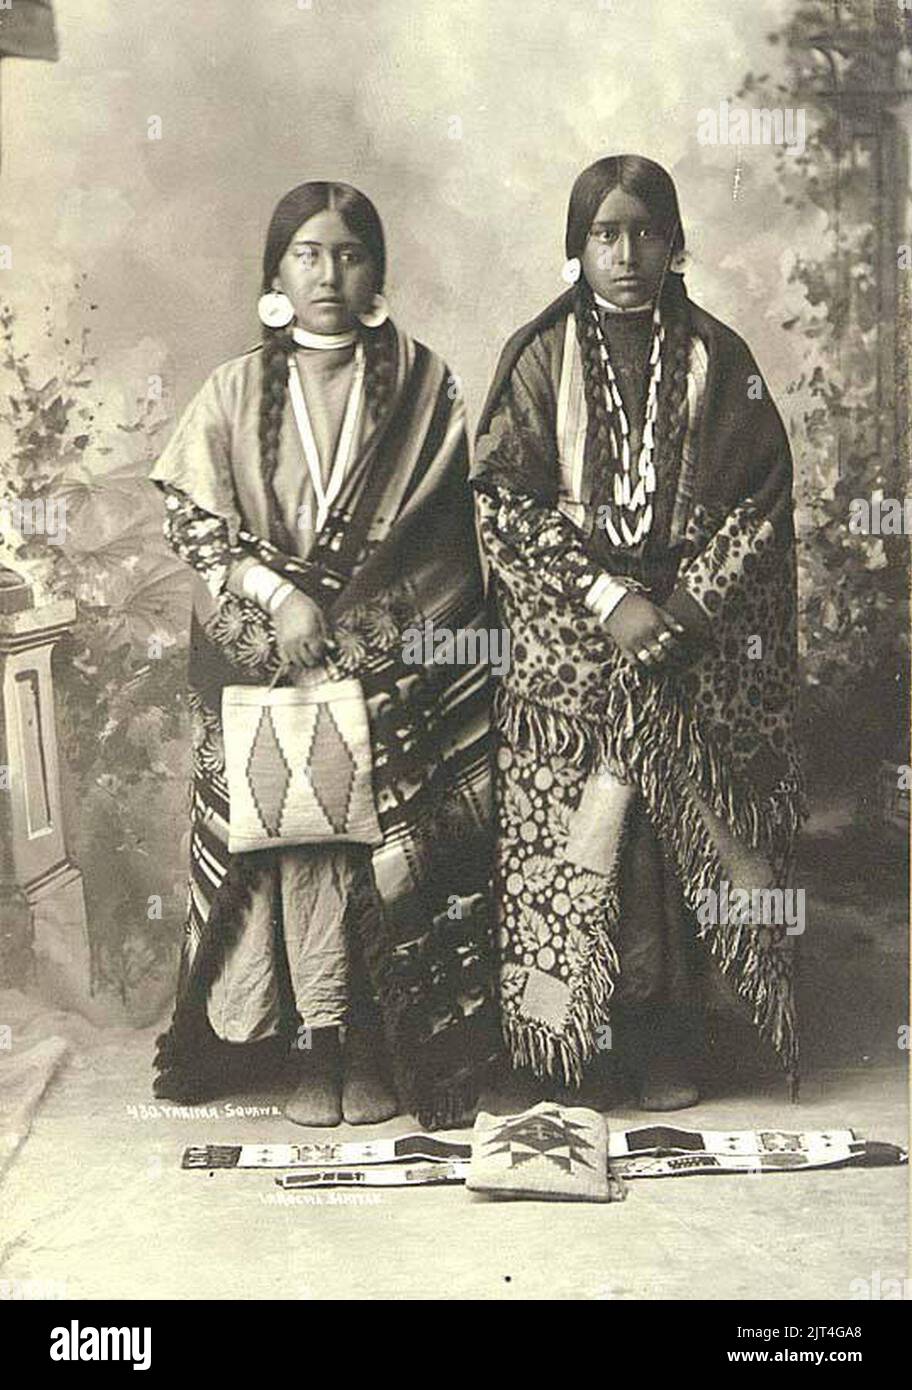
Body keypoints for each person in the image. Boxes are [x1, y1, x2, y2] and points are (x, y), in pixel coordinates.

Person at [149, 181, 498, 1129]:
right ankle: (313, 1044)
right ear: (277, 271)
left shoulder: (425, 386)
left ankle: (380, 1046)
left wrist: (368, 640)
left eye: (349, 253)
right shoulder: (233, 390)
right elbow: (195, 521)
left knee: (378, 847)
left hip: (386, 663)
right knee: (293, 841)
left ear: (375, 271)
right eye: (307, 253)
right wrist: (279, 601)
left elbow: (443, 540)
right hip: (272, 658)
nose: (329, 273)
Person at [472, 155, 805, 1111]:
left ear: (675, 244)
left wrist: (687, 609)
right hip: (577, 641)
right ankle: (575, 1046)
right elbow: (504, 502)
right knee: (587, 839)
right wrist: (606, 600)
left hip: (689, 637)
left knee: (673, 834)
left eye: (646, 233)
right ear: (576, 247)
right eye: (605, 235)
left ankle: (674, 1039)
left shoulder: (718, 359)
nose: (626, 255)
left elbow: (761, 498)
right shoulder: (540, 357)